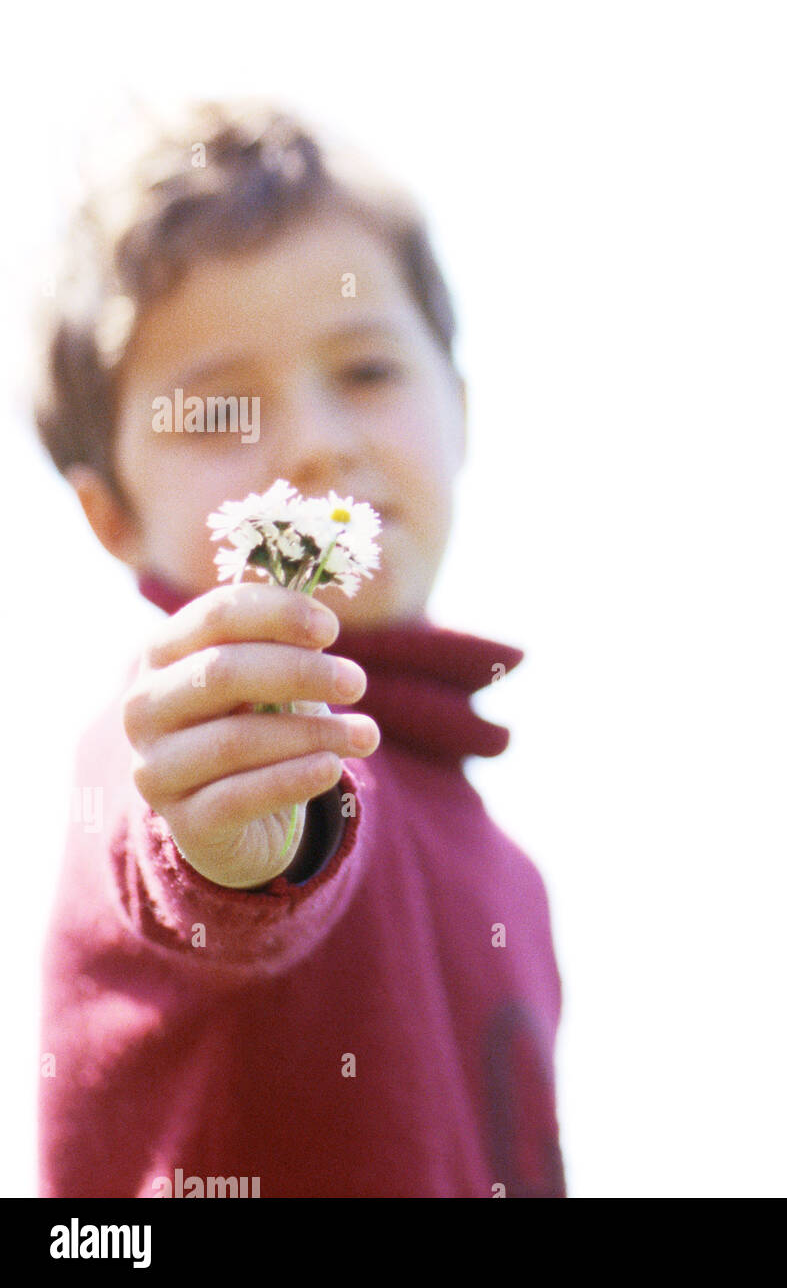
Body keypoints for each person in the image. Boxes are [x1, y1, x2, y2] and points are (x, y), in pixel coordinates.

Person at [29, 99, 565, 1197]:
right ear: (110, 515)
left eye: (367, 373)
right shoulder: (180, 724)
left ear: (459, 410)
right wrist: (240, 850)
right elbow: (208, 851)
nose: (318, 444)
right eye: (220, 412)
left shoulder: (506, 866)